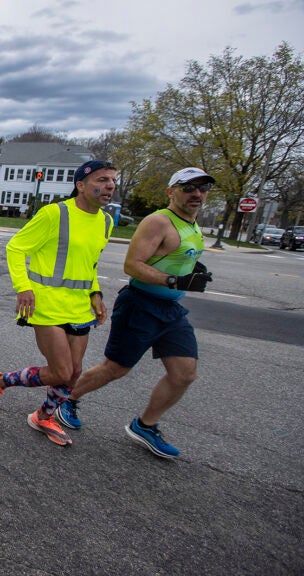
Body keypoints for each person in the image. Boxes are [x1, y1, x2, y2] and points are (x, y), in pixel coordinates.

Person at [56, 168, 215, 459]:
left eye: (203, 188)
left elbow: (175, 260)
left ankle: (145, 425)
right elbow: (132, 265)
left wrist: (193, 273)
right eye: (189, 188)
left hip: (172, 310)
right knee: (115, 368)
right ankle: (66, 398)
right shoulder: (158, 222)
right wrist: (173, 280)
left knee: (184, 374)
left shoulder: (193, 226)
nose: (197, 194)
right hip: (140, 304)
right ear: (171, 191)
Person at [0, 160, 116, 447]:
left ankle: (43, 416)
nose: (110, 186)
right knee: (62, 371)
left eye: (113, 180)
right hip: (46, 305)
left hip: (79, 308)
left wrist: (96, 294)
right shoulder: (55, 214)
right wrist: (23, 287)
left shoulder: (106, 221)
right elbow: (15, 248)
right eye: (102, 180)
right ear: (81, 185)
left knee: (74, 374)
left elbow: (89, 265)